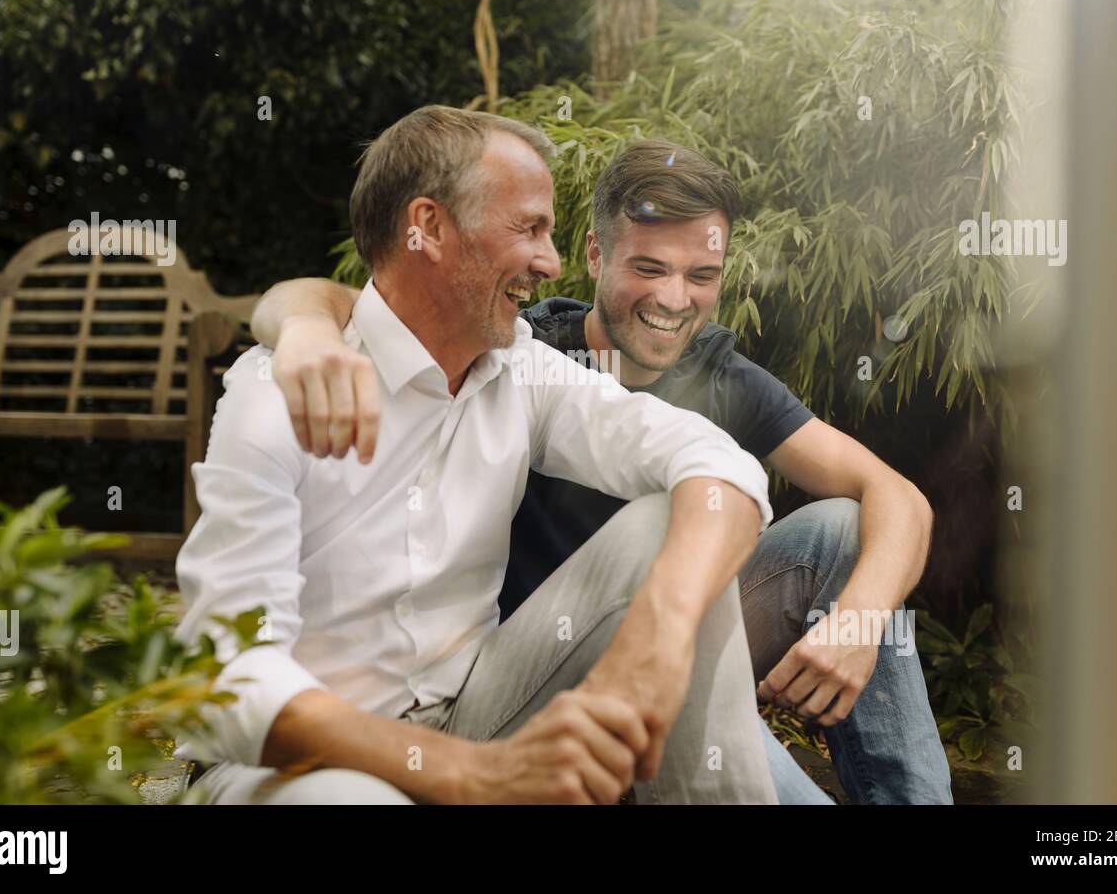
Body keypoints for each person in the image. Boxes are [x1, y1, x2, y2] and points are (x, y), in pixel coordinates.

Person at [251, 138, 954, 804]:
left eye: (700, 276)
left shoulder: (724, 376)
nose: (674, 300)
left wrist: (858, 623)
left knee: (847, 529)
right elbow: (363, 305)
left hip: (672, 651)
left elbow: (898, 497)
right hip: (529, 683)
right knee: (664, 530)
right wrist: (305, 325)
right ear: (594, 254)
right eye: (649, 269)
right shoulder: (518, 351)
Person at [174, 108, 781, 804]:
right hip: (301, 763)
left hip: (478, 716)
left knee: (672, 521)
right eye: (529, 229)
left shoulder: (523, 369)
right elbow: (230, 687)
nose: (552, 263)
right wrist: (470, 776)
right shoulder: (274, 394)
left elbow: (719, 463)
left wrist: (659, 640)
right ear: (427, 228)